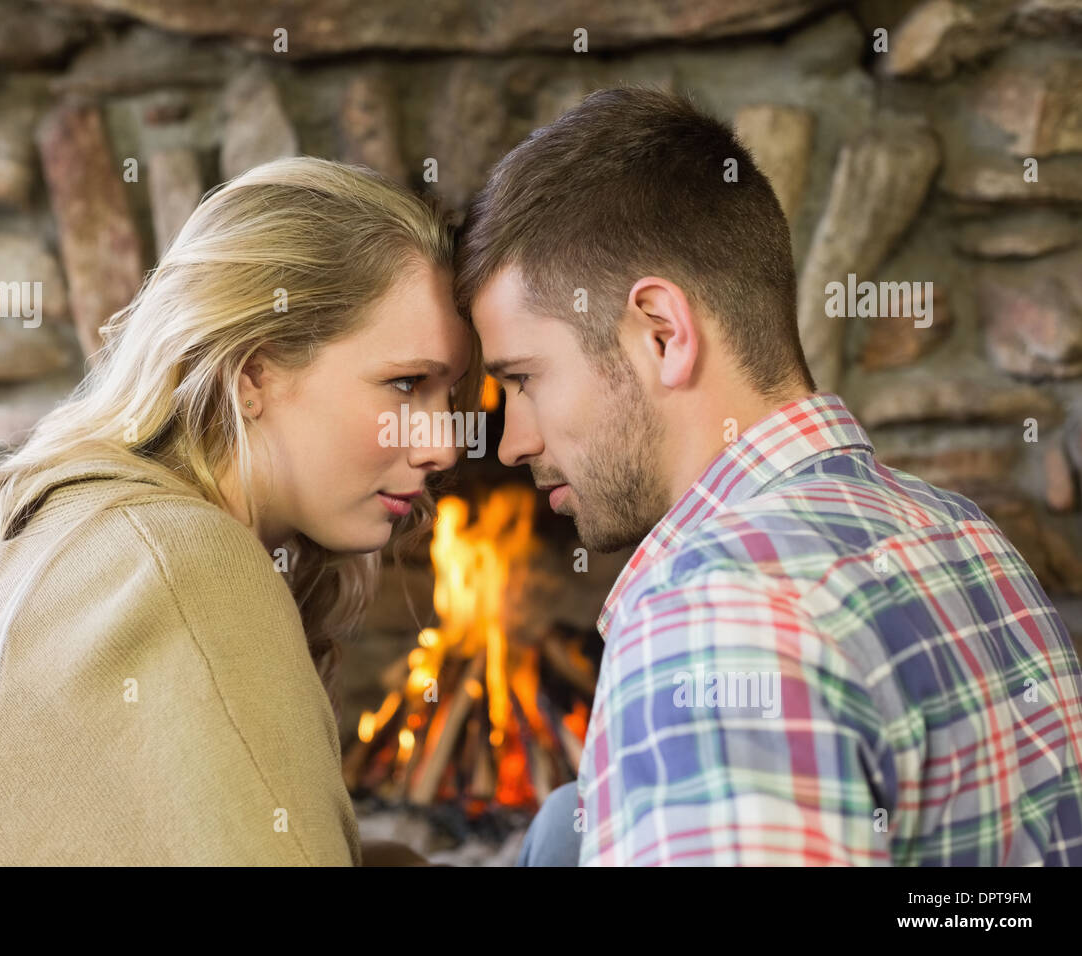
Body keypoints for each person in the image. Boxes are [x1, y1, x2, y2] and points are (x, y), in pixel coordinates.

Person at [0, 157, 480, 866]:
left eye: (449, 394)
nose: (445, 445)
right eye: (405, 384)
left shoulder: (89, 527)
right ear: (253, 373)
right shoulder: (181, 559)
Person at [455, 86, 1082, 866]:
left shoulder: (712, 618)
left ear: (662, 334)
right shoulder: (965, 533)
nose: (511, 443)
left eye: (522, 380)